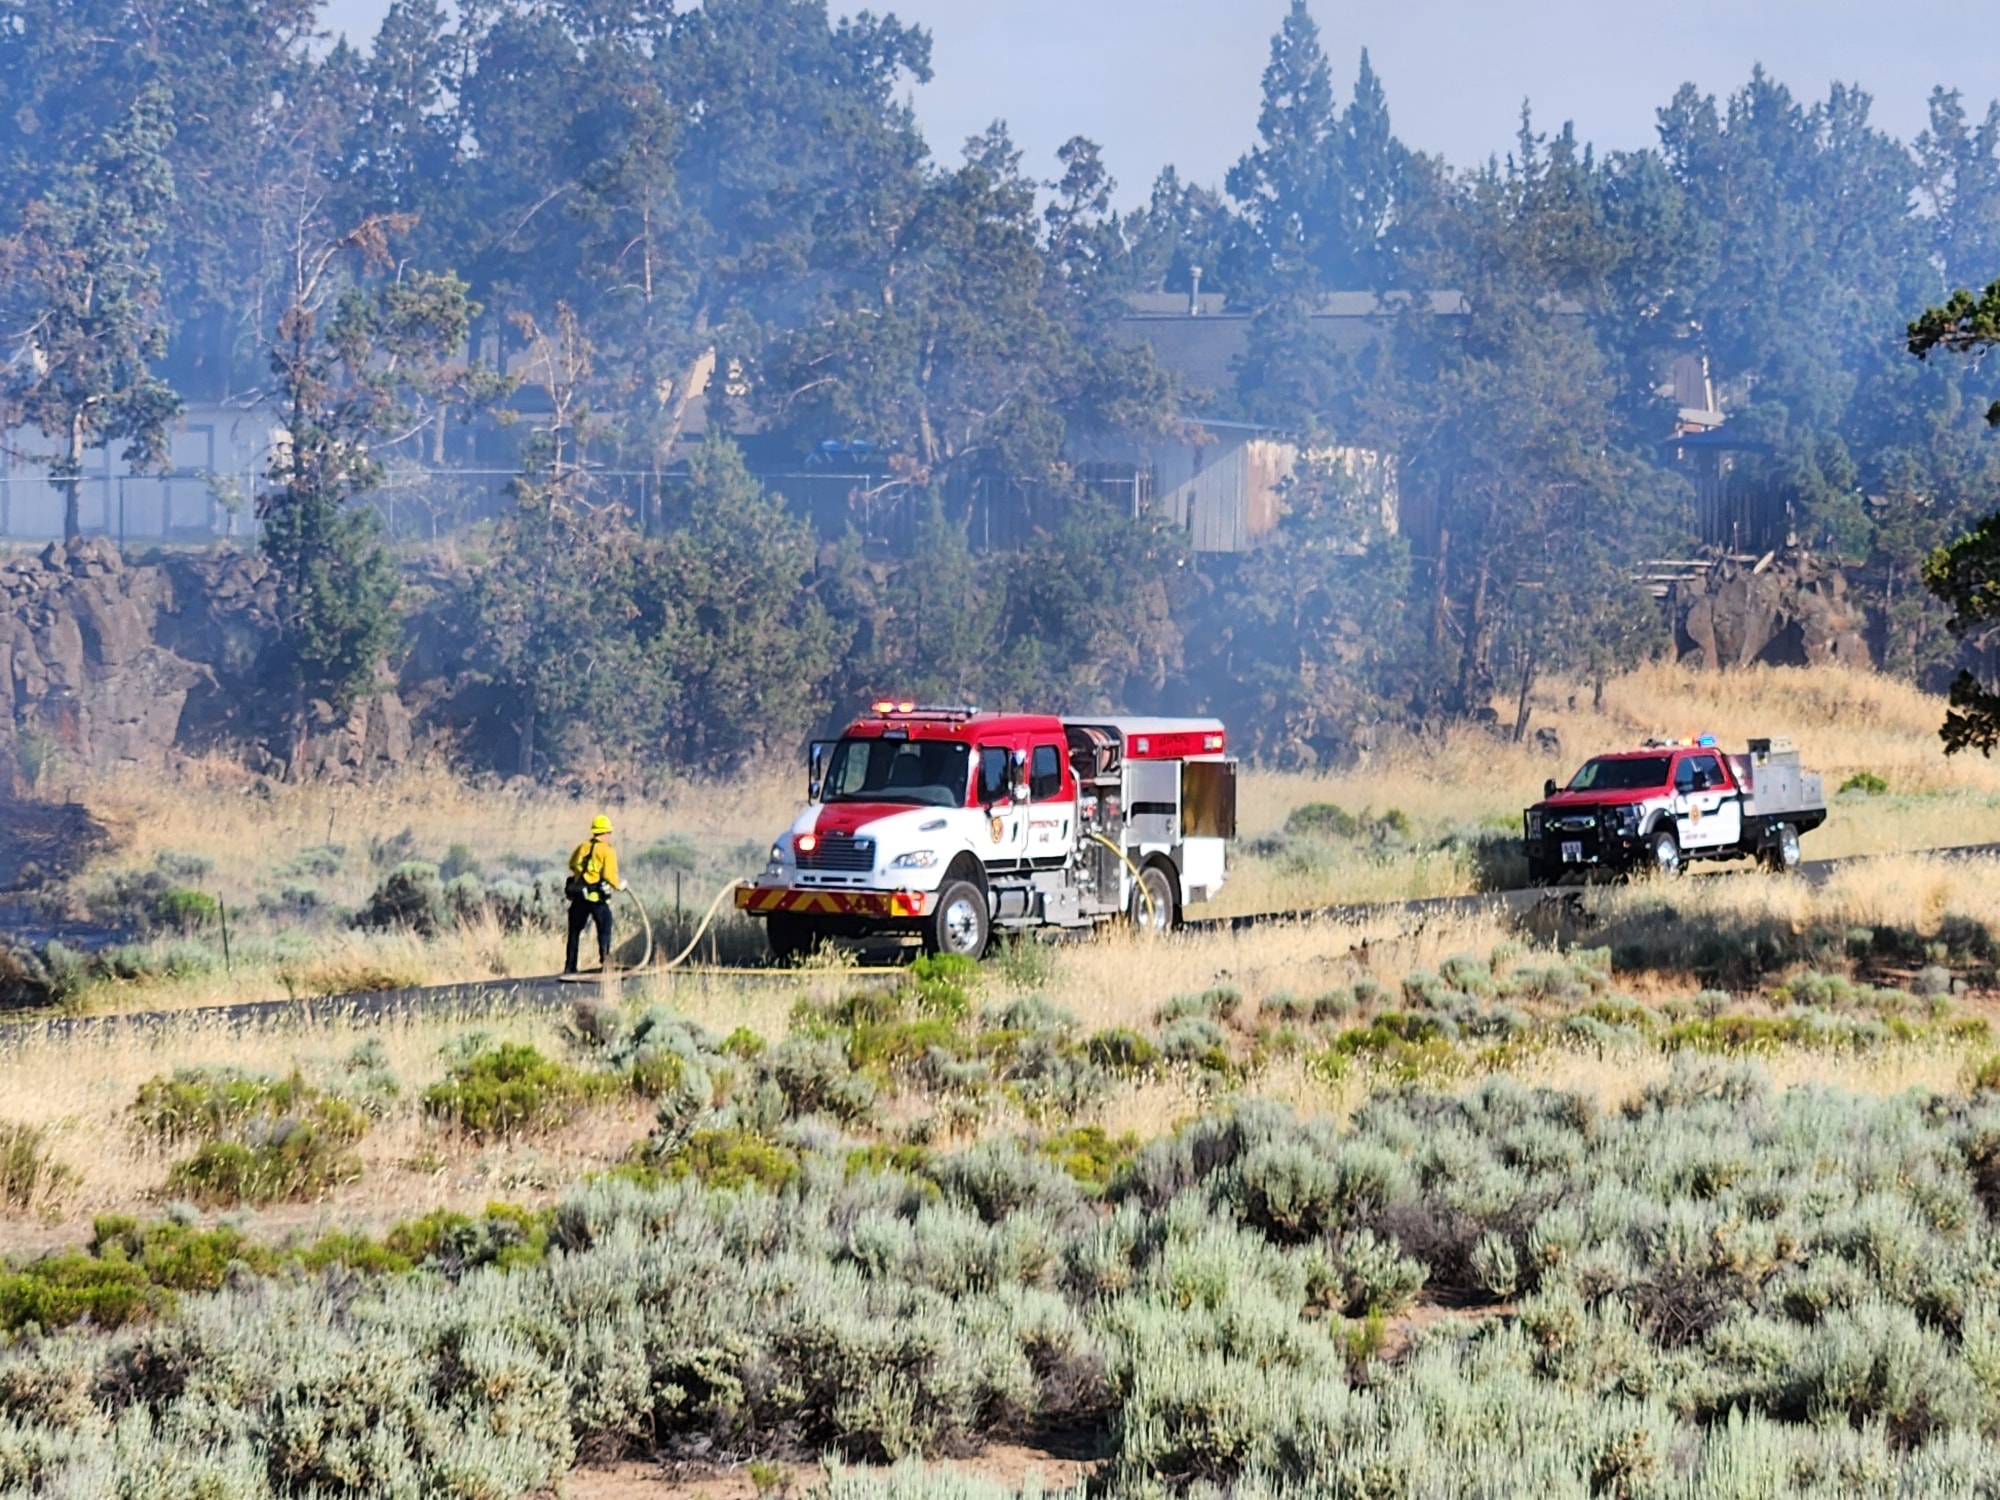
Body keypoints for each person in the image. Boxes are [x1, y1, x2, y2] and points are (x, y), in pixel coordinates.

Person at [564, 815, 626, 973]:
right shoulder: (607, 850)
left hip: (579, 896)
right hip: (597, 898)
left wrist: (582, 875)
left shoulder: (583, 847)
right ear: (605, 833)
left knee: (574, 932)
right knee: (604, 929)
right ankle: (605, 963)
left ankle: (570, 966)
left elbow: (572, 864)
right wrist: (619, 886)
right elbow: (609, 875)